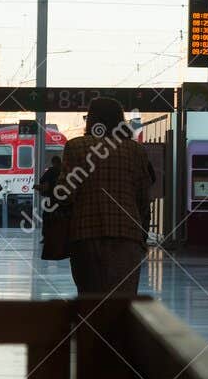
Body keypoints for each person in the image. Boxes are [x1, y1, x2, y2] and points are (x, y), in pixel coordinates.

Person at [58, 97, 153, 296]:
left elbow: (65, 194)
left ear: (92, 120)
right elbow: (144, 197)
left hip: (85, 236)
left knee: (90, 300)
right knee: (122, 302)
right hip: (127, 236)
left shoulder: (76, 147)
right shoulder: (135, 150)